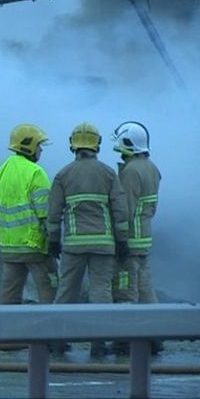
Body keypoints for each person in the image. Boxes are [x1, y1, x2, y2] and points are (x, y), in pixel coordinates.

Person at [47, 122, 129, 357]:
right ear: (97, 144)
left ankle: (57, 342)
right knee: (101, 292)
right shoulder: (108, 173)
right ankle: (99, 344)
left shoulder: (63, 175)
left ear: (72, 145)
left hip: (73, 245)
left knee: (66, 293)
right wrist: (122, 241)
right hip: (103, 244)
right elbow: (120, 211)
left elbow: (54, 213)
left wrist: (53, 241)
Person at [110, 121, 162, 354]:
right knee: (145, 289)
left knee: (125, 290)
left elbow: (125, 209)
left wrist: (119, 239)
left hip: (130, 240)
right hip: (144, 239)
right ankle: (155, 337)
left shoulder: (131, 172)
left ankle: (124, 341)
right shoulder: (151, 168)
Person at [0, 124, 56, 304]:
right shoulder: (36, 173)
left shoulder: (3, 170)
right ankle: (51, 321)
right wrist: (53, 240)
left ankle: (4, 322)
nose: (41, 149)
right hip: (34, 246)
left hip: (9, 246)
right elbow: (46, 213)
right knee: (50, 287)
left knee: (9, 293)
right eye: (39, 145)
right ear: (29, 145)